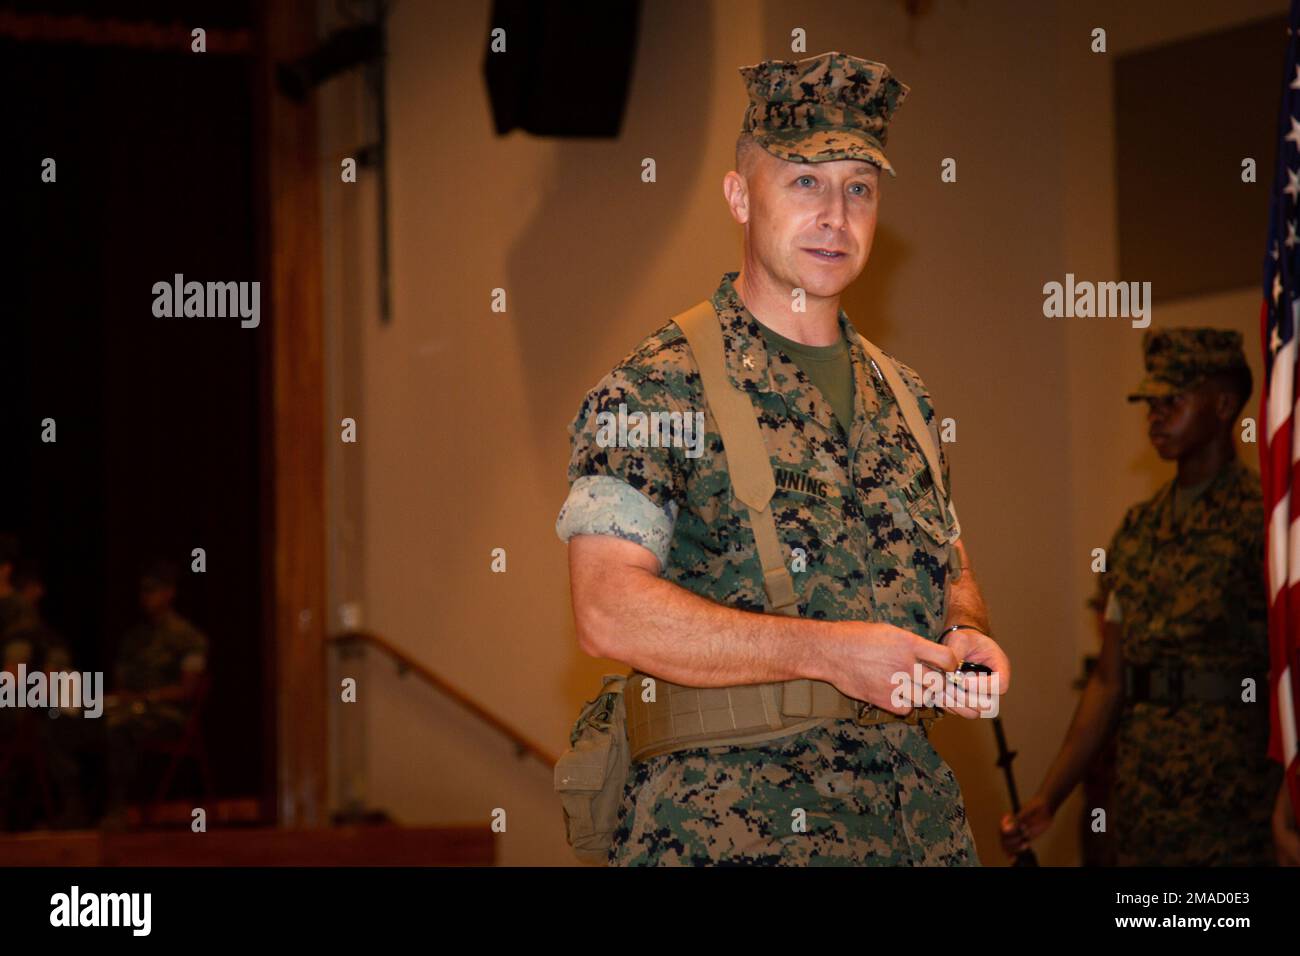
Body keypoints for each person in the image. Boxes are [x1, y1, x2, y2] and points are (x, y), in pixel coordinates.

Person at [556, 51, 1009, 866]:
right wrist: (827, 651)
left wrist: (964, 631)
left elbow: (952, 564)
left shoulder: (907, 398)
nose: (836, 214)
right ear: (739, 195)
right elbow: (607, 610)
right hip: (732, 826)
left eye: (859, 189)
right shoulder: (659, 388)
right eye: (805, 181)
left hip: (916, 828)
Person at [1001, 328, 1282, 865]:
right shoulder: (1138, 530)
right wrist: (1050, 795)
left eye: (1172, 400)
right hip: (1143, 797)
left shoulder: (1263, 522)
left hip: (1233, 799)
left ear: (1224, 405)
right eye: (1150, 403)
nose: (1155, 415)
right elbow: (1109, 679)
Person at [104, 560, 208, 826]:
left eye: (153, 590)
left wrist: (146, 699)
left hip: (167, 716)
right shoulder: (134, 638)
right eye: (143, 591)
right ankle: (80, 807)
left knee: (118, 727)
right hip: (129, 708)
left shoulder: (187, 637)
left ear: (169, 593)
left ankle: (119, 806)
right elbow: (122, 683)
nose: (146, 598)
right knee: (74, 721)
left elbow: (188, 690)